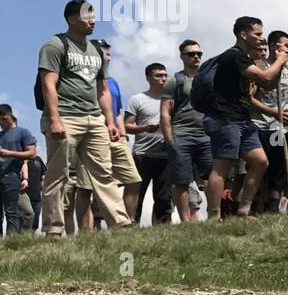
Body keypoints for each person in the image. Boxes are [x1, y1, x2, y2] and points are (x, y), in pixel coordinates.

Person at [37, 0, 132, 237]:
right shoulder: (55, 45)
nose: (93, 21)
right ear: (72, 19)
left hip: (94, 119)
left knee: (104, 173)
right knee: (58, 175)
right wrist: (55, 119)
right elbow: (48, 84)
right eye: (87, 16)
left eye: (93, 15)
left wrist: (110, 121)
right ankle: (53, 229)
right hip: (66, 117)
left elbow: (103, 90)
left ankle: (120, 225)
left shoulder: (96, 50)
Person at [203, 16, 288, 220]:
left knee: (260, 162)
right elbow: (266, 77)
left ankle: (243, 211)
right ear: (243, 35)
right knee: (222, 166)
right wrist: (280, 60)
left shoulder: (246, 58)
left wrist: (278, 63)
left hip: (242, 118)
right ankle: (214, 216)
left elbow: (267, 84)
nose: (261, 39)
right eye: (257, 34)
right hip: (224, 118)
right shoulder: (234, 56)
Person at [251, 30, 288, 213]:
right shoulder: (257, 66)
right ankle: (255, 207)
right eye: (287, 46)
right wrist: (271, 111)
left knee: (280, 168)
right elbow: (248, 97)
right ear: (274, 46)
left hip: (281, 127)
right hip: (260, 124)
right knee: (261, 167)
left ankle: (274, 209)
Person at [90, 39, 143, 221]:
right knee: (96, 184)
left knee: (133, 180)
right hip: (94, 135)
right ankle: (93, 227)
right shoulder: (86, 80)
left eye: (109, 54)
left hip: (116, 137)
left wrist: (123, 135)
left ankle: (128, 221)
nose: (108, 57)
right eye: (104, 53)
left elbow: (118, 111)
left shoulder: (112, 82)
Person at [159, 40, 212, 223]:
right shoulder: (174, 80)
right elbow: (165, 112)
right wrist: (169, 140)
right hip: (181, 135)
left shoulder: (207, 79)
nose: (196, 57)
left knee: (211, 177)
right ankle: (185, 221)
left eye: (199, 53)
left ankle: (214, 215)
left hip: (206, 135)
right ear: (182, 57)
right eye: (191, 54)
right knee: (181, 181)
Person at [125, 63, 174, 225]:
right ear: (148, 78)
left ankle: (163, 227)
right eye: (158, 75)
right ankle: (131, 224)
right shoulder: (137, 99)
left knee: (164, 196)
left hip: (166, 154)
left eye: (165, 75)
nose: (163, 79)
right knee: (136, 192)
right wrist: (145, 128)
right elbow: (127, 126)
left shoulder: (172, 99)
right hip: (142, 154)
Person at [0, 104, 38, 237]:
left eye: (4, 119)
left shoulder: (23, 132)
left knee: (12, 212)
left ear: (11, 116)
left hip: (11, 176)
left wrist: (9, 154)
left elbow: (32, 153)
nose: (1, 123)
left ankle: (11, 242)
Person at [22, 153, 46, 231]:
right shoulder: (20, 159)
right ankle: (23, 237)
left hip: (37, 197)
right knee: (24, 219)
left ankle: (31, 238)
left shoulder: (38, 160)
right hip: (24, 195)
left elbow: (43, 176)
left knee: (35, 221)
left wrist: (45, 191)